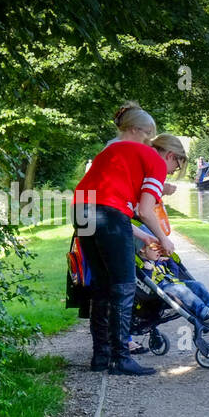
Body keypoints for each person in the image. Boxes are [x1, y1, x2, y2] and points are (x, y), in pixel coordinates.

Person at [73, 133, 187, 374]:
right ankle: (121, 359)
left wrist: (144, 236)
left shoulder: (121, 151)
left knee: (102, 287)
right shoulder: (156, 163)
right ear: (171, 155)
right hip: (107, 214)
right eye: (175, 167)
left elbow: (105, 204)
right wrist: (164, 239)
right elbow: (145, 211)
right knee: (123, 287)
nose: (170, 172)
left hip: (81, 208)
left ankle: (101, 357)